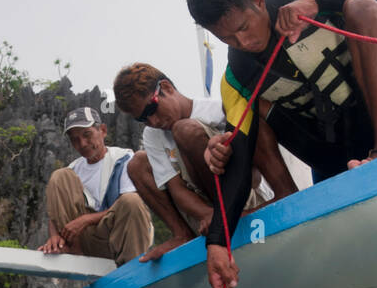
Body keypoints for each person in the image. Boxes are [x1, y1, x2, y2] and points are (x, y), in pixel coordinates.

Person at [186, 0, 377, 288]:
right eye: (228, 39)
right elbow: (241, 165)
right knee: (243, 112)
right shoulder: (236, 77)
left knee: (360, 5)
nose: (243, 43)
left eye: (243, 27)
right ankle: (288, 197)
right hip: (331, 155)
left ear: (258, 2)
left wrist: (318, 2)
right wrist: (218, 241)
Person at [112, 63, 289, 261]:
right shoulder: (153, 134)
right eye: (143, 118)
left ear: (167, 88)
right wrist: (209, 215)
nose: (153, 121)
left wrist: (225, 154)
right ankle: (182, 234)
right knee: (137, 164)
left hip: (243, 196)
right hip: (203, 212)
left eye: (152, 109)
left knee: (185, 129)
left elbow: (254, 179)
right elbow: (176, 188)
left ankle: (271, 198)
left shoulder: (219, 111)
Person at [38, 107, 152, 265]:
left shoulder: (123, 158)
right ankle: (73, 252)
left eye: (87, 135)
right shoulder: (72, 171)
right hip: (86, 242)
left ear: (102, 131)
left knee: (131, 201)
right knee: (59, 176)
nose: (82, 143)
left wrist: (86, 219)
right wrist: (54, 235)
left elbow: (132, 205)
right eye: (75, 139)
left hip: (121, 236)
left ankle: (132, 268)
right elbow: (55, 211)